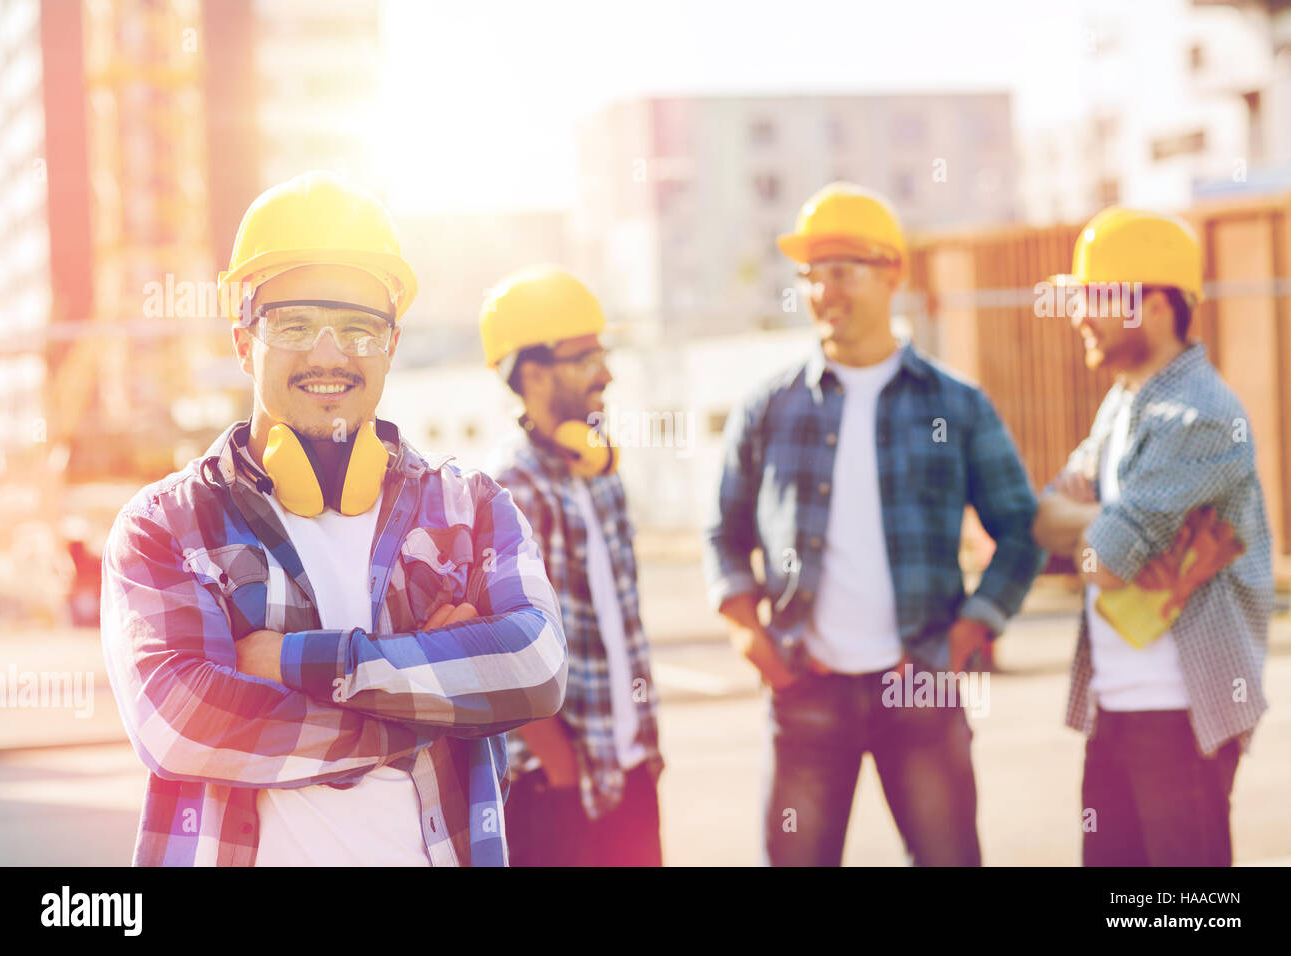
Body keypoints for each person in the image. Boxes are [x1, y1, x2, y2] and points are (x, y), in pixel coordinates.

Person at [99, 171, 566, 867]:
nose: (329, 353)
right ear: (242, 342)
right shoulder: (167, 526)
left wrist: (291, 662)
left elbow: (534, 666)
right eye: (293, 324)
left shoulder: (471, 507)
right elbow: (183, 724)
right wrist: (433, 709)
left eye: (359, 328)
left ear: (393, 345)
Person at [704, 183, 1045, 867]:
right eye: (810, 276)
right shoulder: (769, 408)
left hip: (920, 681)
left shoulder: (957, 405)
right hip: (805, 687)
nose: (823, 291)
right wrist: (751, 636)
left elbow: (1022, 529)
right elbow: (724, 532)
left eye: (841, 272)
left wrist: (970, 631)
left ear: (894, 274)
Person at [1032, 206, 1271, 867]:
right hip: (1119, 705)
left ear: (1158, 305)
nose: (1079, 313)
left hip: (1180, 711)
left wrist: (1101, 529)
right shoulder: (1125, 401)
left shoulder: (1197, 414)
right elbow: (1047, 522)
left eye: (1096, 296)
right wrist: (1110, 521)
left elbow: (1104, 563)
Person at [482, 266, 664, 866]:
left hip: (630, 769)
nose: (606, 374)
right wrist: (560, 768)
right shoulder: (508, 492)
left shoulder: (600, 474)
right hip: (555, 788)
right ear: (533, 373)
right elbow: (499, 651)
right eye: (586, 358)